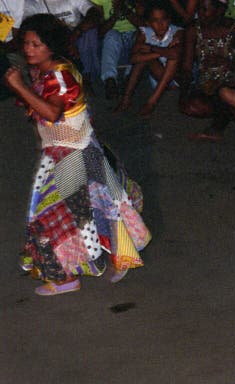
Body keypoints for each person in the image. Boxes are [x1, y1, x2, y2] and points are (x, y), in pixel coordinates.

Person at [3, 14, 150, 295]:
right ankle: (113, 258)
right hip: (70, 150)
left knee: (54, 217)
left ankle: (65, 277)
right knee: (96, 206)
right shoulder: (50, 69)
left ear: (50, 47)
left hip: (73, 156)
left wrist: (19, 87)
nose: (28, 49)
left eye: (35, 44)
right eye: (26, 43)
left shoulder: (59, 75)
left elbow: (51, 112)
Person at [179, 0, 235, 140]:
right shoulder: (194, 30)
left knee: (227, 96)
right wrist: (184, 93)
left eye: (206, 10)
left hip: (233, 83)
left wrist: (226, 62)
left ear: (220, 10)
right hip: (208, 85)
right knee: (192, 107)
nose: (201, 14)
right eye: (199, 9)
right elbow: (186, 66)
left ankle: (218, 127)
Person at [116, 0, 183, 116]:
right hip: (157, 77)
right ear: (148, 23)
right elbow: (133, 58)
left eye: (163, 19)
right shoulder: (145, 33)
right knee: (143, 60)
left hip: (176, 79)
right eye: (155, 21)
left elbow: (175, 55)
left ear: (169, 20)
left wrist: (152, 49)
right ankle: (126, 99)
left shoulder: (177, 32)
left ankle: (151, 102)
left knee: (173, 57)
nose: (160, 24)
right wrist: (162, 52)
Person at [89, 0, 144, 100]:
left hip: (134, 35)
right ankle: (109, 80)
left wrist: (124, 8)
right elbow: (100, 31)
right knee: (111, 35)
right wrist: (115, 14)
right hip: (112, 38)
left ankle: (129, 78)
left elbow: (143, 25)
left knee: (141, 36)